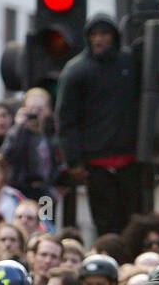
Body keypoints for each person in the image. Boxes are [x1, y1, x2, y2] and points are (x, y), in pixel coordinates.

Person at [56, 13, 143, 236]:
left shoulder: (130, 62)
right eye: (94, 35)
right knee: (105, 224)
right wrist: (73, 161)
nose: (99, 40)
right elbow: (66, 120)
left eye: (104, 34)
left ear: (114, 36)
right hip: (95, 164)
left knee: (134, 224)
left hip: (131, 162)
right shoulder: (76, 71)